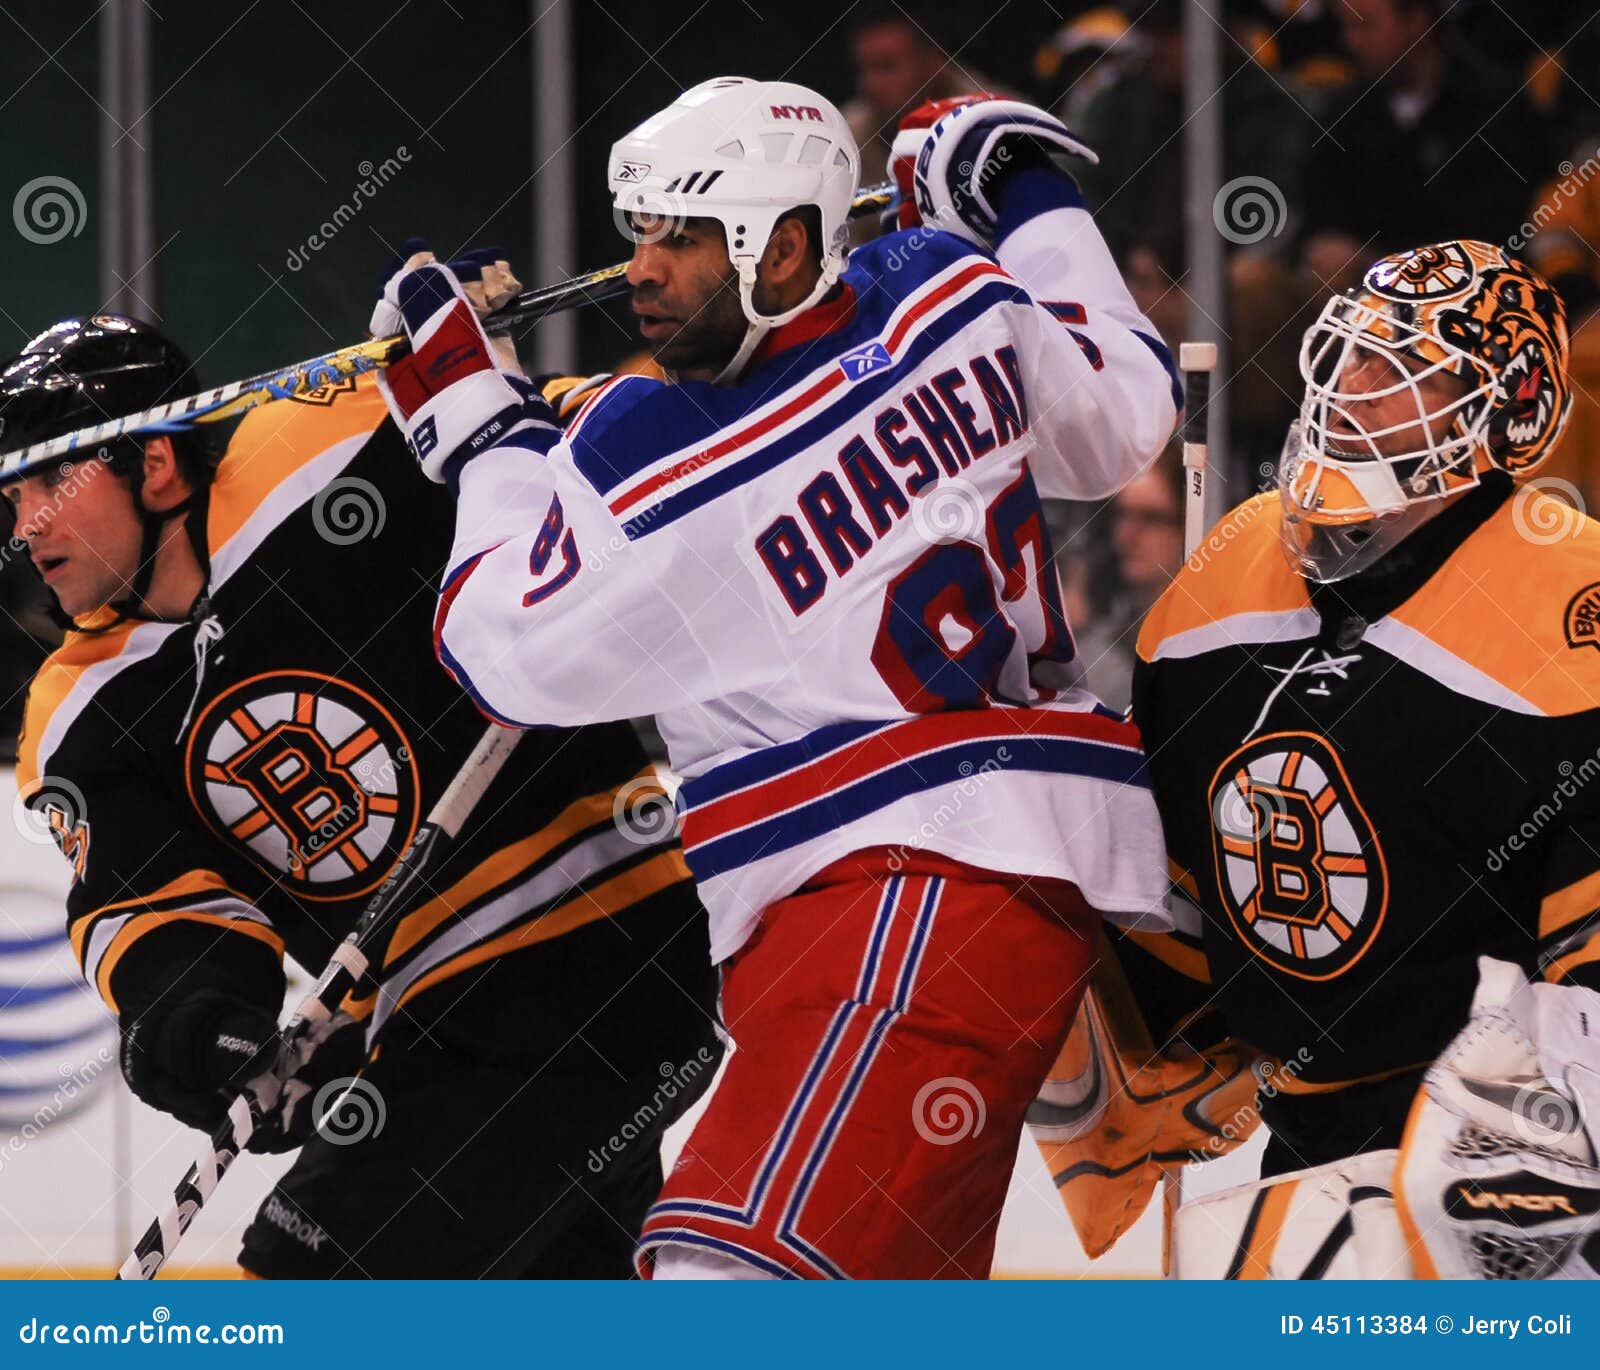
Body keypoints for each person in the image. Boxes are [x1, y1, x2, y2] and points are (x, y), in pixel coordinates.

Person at [372, 75, 1180, 1279]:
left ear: (784, 242)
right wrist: (1022, 193)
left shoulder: (657, 447)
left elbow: (503, 651)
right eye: (638, 232)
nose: (640, 268)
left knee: (728, 1293)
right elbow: (1128, 412)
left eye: (681, 237)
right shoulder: (950, 290)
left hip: (899, 900)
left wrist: (479, 428)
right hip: (974, 893)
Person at [3, 300, 719, 1278]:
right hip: (429, 1020)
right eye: (11, 497)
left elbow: (559, 437)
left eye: (49, 478)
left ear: (156, 465)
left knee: (305, 1290)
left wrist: (482, 368)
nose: (24, 523)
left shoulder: (317, 444)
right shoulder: (78, 708)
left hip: (605, 945)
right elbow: (154, 903)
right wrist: (218, 1036)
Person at [1121, 239, 1600, 1278]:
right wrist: (1139, 1047)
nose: (1354, 392)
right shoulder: (1216, 584)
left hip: (1513, 1148)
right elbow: (1169, 884)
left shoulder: (1569, 603)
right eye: (1351, 358)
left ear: (1506, 411)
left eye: (1404, 372)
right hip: (1297, 1142)